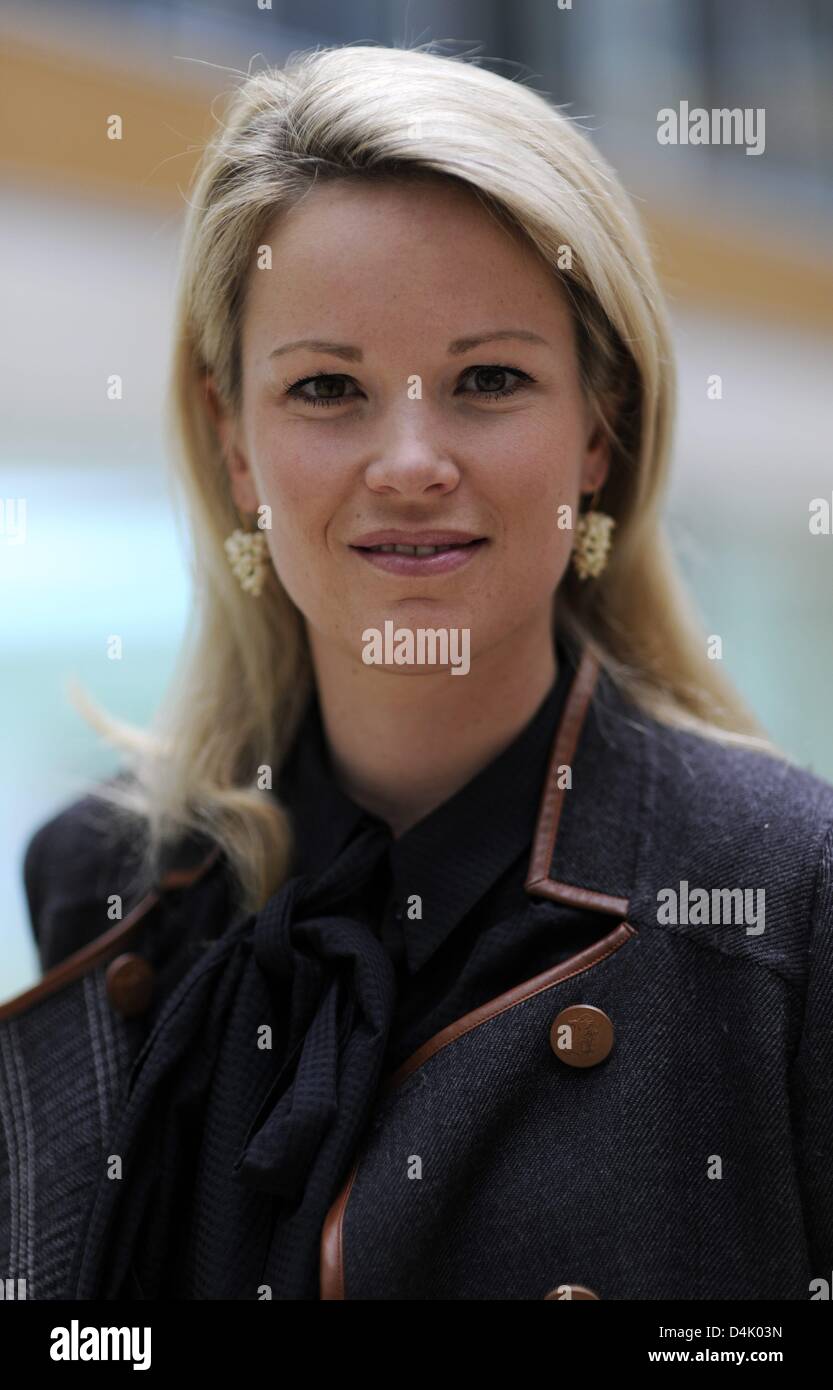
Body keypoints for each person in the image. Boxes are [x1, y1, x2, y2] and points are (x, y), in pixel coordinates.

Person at [4, 42, 832, 1302]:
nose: (408, 461)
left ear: (596, 431)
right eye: (327, 387)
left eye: (487, 380)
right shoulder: (103, 878)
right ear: (234, 442)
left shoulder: (784, 892)